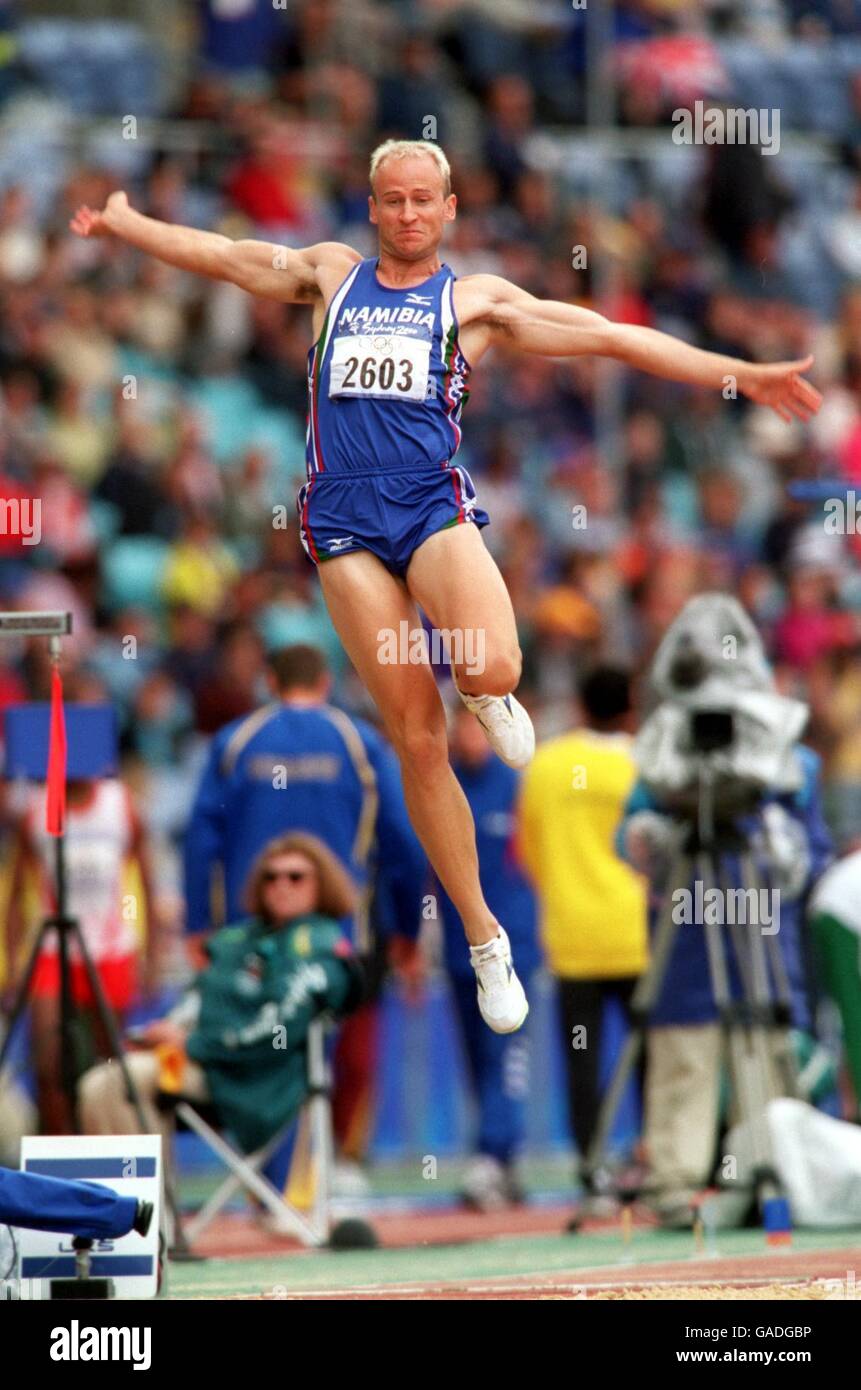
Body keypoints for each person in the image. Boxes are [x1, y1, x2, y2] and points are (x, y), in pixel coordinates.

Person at [70, 138, 821, 1035]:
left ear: (450, 208)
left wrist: (742, 372)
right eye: (391, 200)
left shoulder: (477, 304)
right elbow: (225, 257)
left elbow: (613, 338)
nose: (408, 215)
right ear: (374, 205)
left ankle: (486, 693)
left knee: (495, 663)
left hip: (428, 507)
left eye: (424, 200)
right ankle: (482, 936)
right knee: (416, 741)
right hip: (342, 519)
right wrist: (126, 223)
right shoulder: (327, 276)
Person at [183, 642, 426, 1183]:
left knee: (267, 1048)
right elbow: (404, 846)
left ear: (269, 680)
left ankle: (269, 1177)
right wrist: (407, 928)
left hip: (252, 941)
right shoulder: (360, 744)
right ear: (325, 683)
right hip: (345, 938)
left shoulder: (234, 743)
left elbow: (200, 840)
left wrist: (198, 924)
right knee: (348, 1046)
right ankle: (339, 1162)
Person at [79, 833, 363, 1162]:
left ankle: (149, 1202)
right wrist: (159, 1034)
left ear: (321, 885)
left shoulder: (322, 947)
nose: (282, 885)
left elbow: (276, 1033)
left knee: (123, 1080)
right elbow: (195, 1001)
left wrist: (194, 1045)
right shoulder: (234, 941)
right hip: (198, 1066)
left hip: (257, 1083)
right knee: (98, 1084)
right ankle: (141, 1202)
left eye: (296, 877)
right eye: (271, 877)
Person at [518, 666, 648, 1221]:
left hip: (571, 933)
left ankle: (591, 1174)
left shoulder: (546, 765)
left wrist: (564, 889)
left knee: (580, 1060)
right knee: (654, 1061)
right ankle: (655, 1166)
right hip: (640, 932)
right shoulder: (644, 763)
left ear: (579, 706)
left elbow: (526, 851)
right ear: (630, 709)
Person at [4, 775, 159, 1134]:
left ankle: (104, 1151)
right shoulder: (35, 808)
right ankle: (59, 1161)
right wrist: (13, 963)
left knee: (107, 1068)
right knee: (50, 1064)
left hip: (110, 951)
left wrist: (144, 946)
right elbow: (17, 890)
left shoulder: (121, 805)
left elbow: (142, 884)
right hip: (52, 948)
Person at [433, 703, 540, 1210]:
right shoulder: (441, 786)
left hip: (515, 945)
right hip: (458, 950)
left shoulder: (521, 788)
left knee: (506, 1053)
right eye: (462, 728)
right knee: (476, 1056)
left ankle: (492, 1155)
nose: (469, 738)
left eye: (477, 729)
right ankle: (503, 1160)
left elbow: (543, 860)